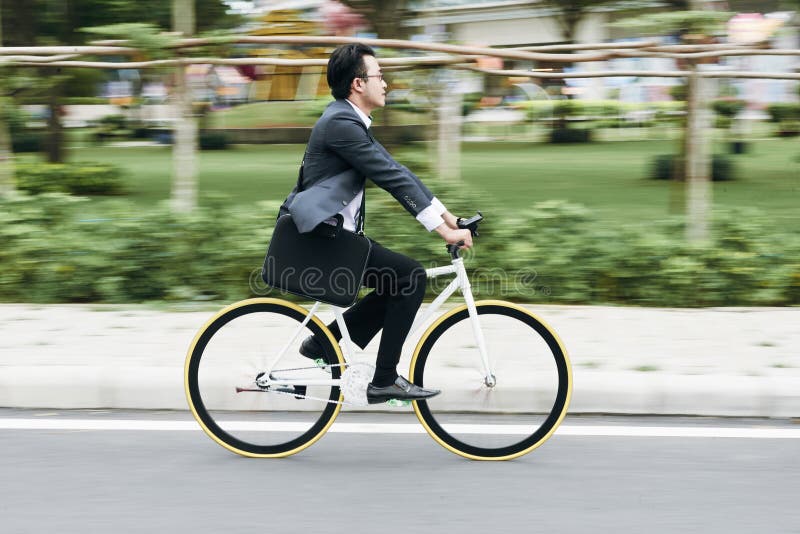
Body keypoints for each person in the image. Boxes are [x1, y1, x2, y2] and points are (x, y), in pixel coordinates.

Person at [278, 43, 473, 404]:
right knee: (410, 276)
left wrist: (451, 218)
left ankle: (323, 342)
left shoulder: (349, 121)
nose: (385, 84)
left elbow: (400, 172)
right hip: (323, 242)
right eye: (379, 76)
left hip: (338, 239)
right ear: (357, 83)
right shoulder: (340, 123)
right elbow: (390, 178)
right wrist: (444, 231)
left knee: (397, 281)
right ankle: (384, 379)